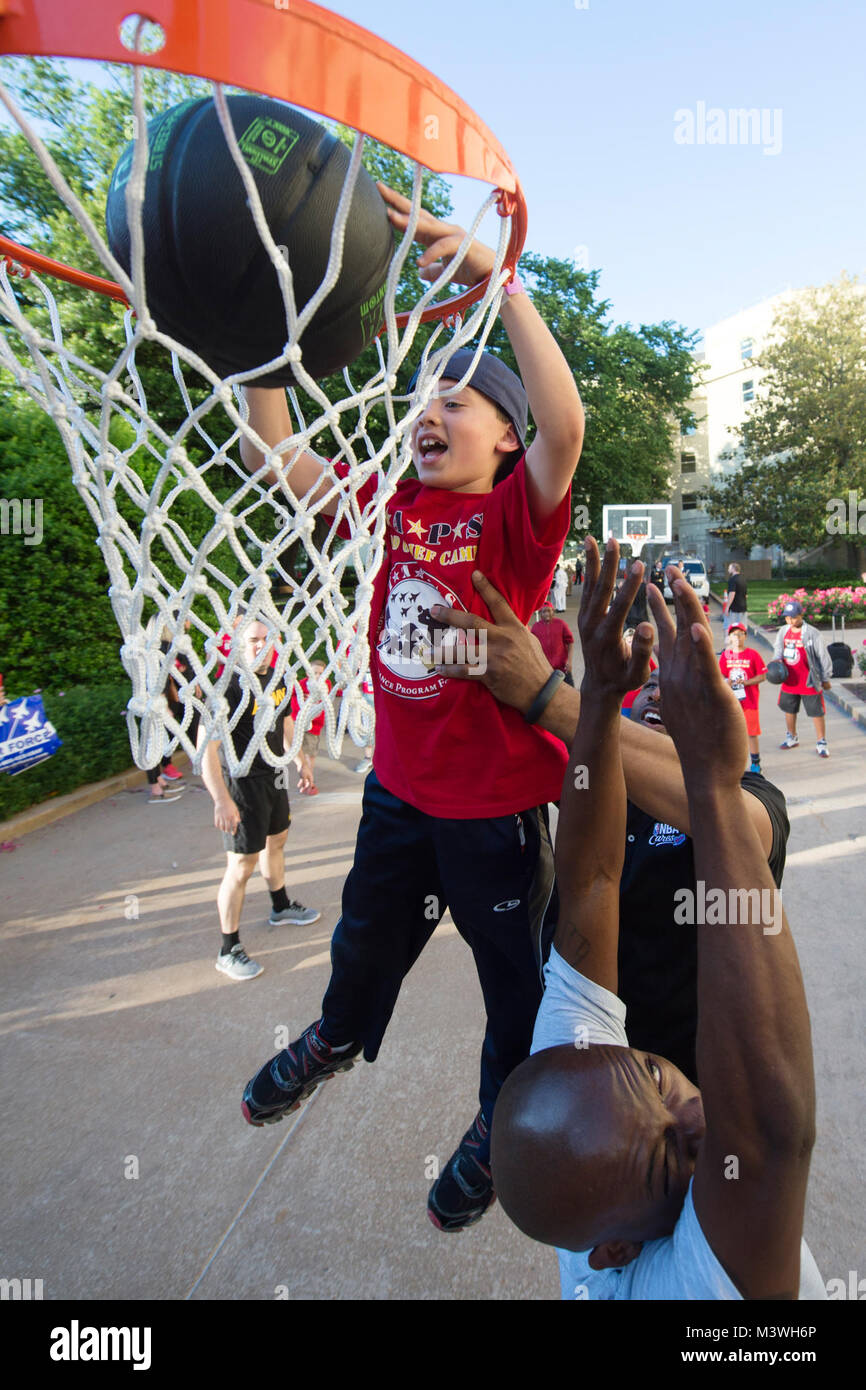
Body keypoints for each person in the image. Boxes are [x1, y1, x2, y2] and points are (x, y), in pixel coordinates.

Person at [236, 182, 584, 1232]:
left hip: (490, 811)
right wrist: (256, 338)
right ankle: (337, 1037)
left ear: (503, 441)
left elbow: (566, 419)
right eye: (423, 397)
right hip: (400, 791)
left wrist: (493, 278)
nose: (429, 411)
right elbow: (279, 457)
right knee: (361, 941)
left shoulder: (515, 520)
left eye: (458, 400)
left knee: (513, 991)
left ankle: (495, 1126)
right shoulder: (392, 509)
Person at [491, 541, 823, 1300]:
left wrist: (598, 698)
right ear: (612, 1253)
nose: (697, 1122)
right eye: (669, 1157)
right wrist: (706, 773)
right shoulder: (689, 1286)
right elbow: (768, 1138)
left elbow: (590, 884)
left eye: (651, 1076)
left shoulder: (587, 1099)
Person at [432, 569, 789, 1085]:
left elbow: (729, 819)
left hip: (681, 1079)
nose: (659, 693)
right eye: (649, 683)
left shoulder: (753, 799)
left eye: (683, 689)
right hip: (573, 1058)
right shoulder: (591, 776)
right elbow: (497, 740)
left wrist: (548, 694)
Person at [197, 620, 320, 982]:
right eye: (253, 640)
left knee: (277, 841)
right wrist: (221, 799)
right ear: (236, 644)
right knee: (241, 864)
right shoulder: (224, 690)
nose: (261, 646)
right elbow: (208, 750)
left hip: (273, 776)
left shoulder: (277, 677)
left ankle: (280, 907)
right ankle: (228, 948)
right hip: (240, 785)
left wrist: (300, 761)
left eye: (266, 639)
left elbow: (284, 724)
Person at [773, 600, 833, 757]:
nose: (790, 621)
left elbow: (823, 656)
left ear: (801, 615)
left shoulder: (812, 633)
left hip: (809, 680)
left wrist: (825, 677)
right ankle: (792, 736)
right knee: (789, 709)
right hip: (789, 679)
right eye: (787, 618)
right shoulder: (783, 631)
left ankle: (821, 741)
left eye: (793, 617)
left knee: (816, 712)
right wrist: (776, 662)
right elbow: (778, 649)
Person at [719, 622, 766, 774]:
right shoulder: (726, 655)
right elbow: (720, 675)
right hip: (731, 702)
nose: (737, 637)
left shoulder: (753, 655)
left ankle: (756, 763)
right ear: (729, 637)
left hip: (750, 701)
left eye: (740, 634)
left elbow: (762, 676)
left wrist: (746, 682)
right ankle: (732, 763)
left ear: (745, 636)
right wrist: (727, 682)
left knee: (751, 733)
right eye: (734, 634)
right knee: (731, 733)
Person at [291, 658, 331, 795]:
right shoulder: (301, 685)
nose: (318, 676)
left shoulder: (326, 685)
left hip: (313, 727)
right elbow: (292, 701)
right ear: (308, 673)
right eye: (315, 673)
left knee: (310, 755)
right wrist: (304, 702)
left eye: (321, 673)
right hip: (298, 723)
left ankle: (309, 781)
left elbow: (324, 703)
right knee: (299, 752)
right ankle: (305, 778)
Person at [530, 602, 574, 687]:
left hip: (562, 667)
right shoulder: (535, 628)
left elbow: (570, 642)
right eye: (544, 611)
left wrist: (569, 661)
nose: (547, 613)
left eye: (549, 611)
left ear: (553, 611)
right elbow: (533, 647)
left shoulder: (561, 624)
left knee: (571, 693)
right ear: (540, 613)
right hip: (545, 669)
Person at [722, 561, 748, 636]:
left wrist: (727, 607)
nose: (728, 569)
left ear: (733, 569)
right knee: (742, 628)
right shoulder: (743, 579)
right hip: (743, 607)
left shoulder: (732, 579)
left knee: (729, 627)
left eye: (729, 568)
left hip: (734, 608)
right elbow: (746, 595)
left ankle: (730, 644)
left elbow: (732, 594)